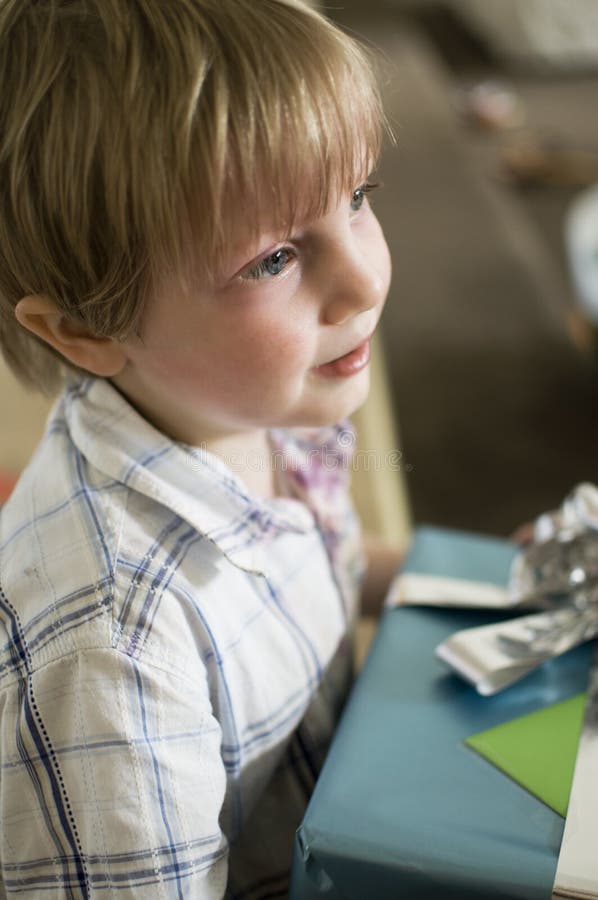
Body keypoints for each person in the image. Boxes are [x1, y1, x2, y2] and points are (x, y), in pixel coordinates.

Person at [0, 0, 401, 895]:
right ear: (84, 331)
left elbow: (307, 558)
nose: (364, 278)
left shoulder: (256, 404)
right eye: (273, 260)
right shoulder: (113, 658)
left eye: (358, 198)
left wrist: (464, 581)